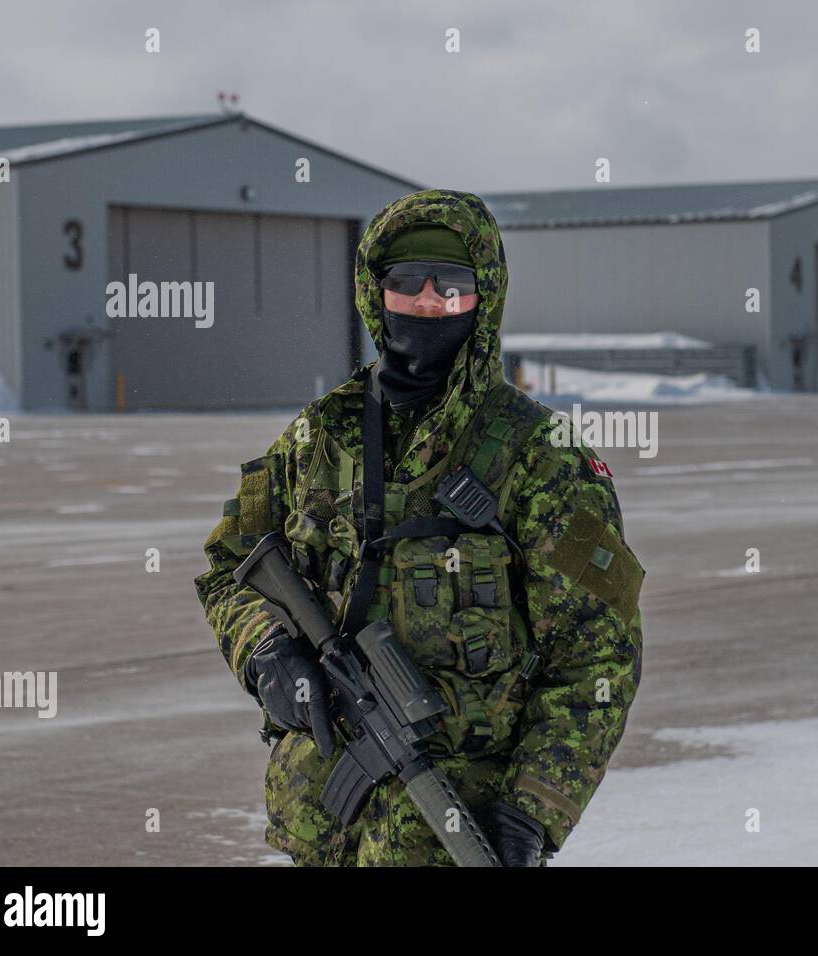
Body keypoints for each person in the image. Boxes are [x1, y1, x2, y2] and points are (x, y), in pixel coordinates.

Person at [193, 189, 645, 866]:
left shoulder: (541, 458)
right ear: (374, 293)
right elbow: (232, 566)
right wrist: (267, 654)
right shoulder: (319, 437)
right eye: (406, 284)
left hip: (457, 834)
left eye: (453, 287)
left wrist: (534, 810)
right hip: (324, 832)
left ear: (484, 298)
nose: (429, 303)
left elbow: (597, 659)